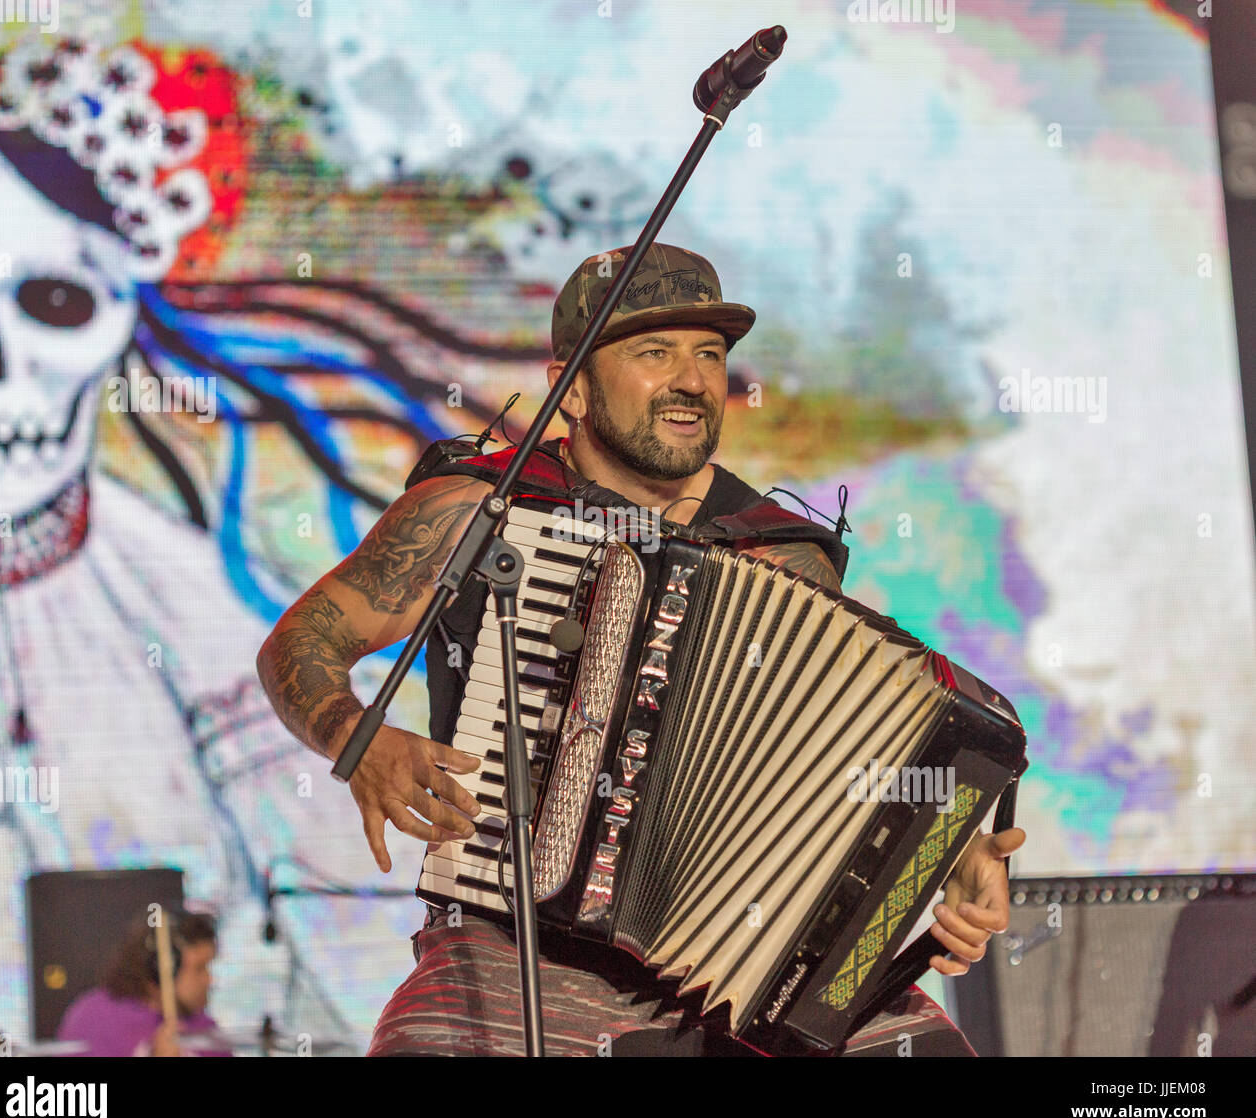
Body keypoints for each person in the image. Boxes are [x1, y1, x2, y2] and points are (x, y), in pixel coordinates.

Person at [256, 243, 1026, 1056]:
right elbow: (304, 639)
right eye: (655, 353)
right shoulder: (477, 509)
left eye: (710, 355)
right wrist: (356, 738)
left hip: (746, 964)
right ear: (573, 385)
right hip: (514, 941)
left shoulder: (778, 554)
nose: (693, 379)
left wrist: (947, 855)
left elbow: (847, 767)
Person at [57, 910, 230, 1057]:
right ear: (159, 969)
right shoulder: (93, 1021)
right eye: (199, 968)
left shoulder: (205, 1028)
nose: (210, 980)